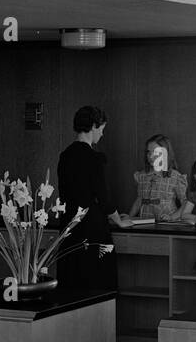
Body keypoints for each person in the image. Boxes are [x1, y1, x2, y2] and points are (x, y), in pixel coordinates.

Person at [56, 105, 131, 289]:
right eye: (102, 129)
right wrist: (119, 221)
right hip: (92, 227)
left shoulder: (65, 156)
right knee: (97, 282)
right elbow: (103, 198)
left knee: (72, 282)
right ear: (94, 126)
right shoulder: (94, 158)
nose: (102, 135)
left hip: (69, 225)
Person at [128, 134, 187, 222]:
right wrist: (129, 217)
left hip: (167, 223)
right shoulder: (142, 175)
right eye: (148, 152)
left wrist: (172, 217)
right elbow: (139, 199)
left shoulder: (175, 177)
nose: (151, 156)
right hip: (145, 221)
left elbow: (185, 203)